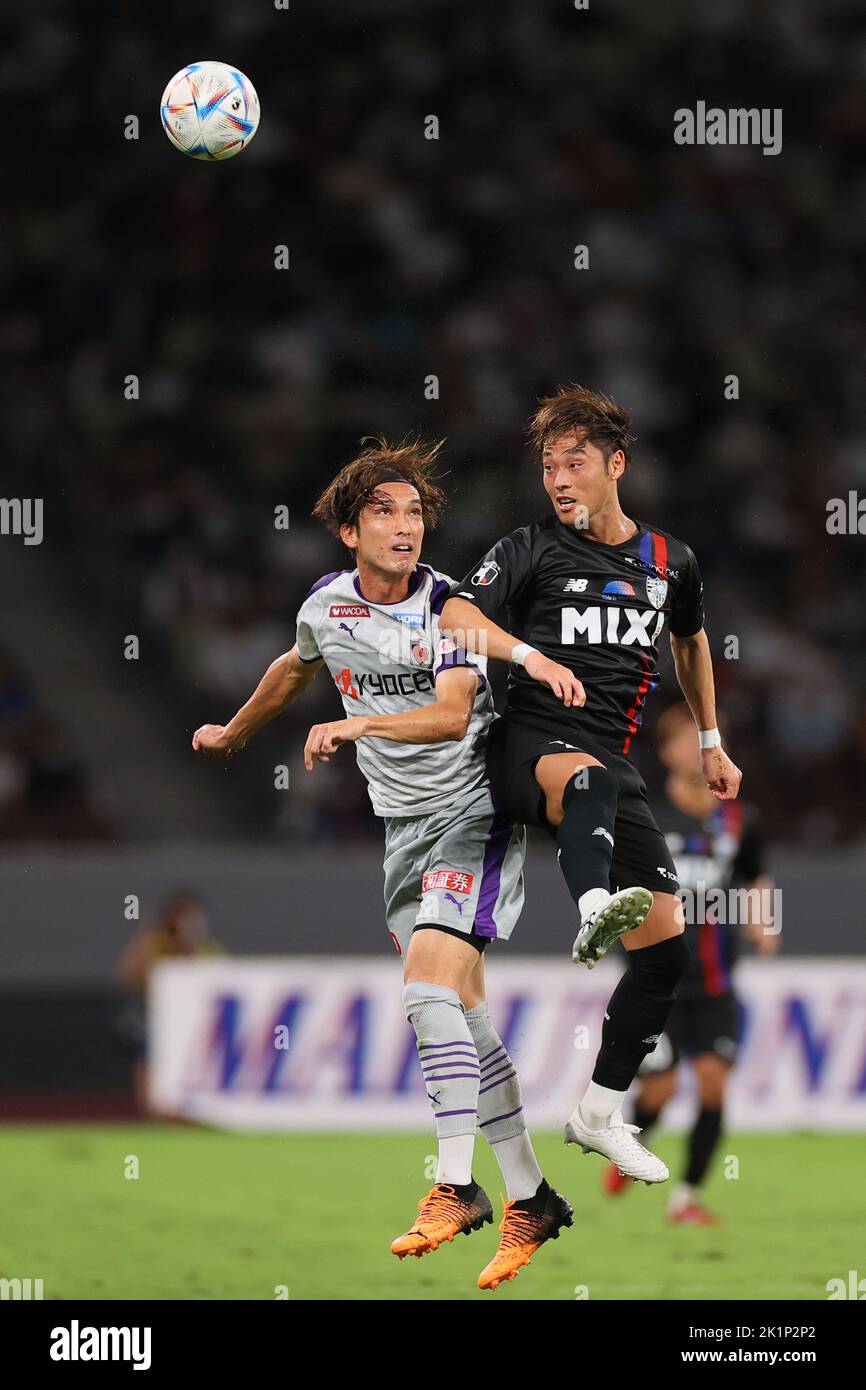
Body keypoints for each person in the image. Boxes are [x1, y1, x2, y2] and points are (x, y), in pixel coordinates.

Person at [192, 438, 582, 1291]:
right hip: (402, 830)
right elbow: (294, 666)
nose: (406, 529)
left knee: (423, 992)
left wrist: (358, 725)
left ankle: (452, 1185)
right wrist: (236, 730)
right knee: (464, 1017)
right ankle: (533, 1196)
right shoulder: (327, 605)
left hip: (473, 814)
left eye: (415, 515)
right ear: (347, 531)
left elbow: (449, 717)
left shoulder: (449, 609)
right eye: (386, 513)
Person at [439, 384, 743, 1185]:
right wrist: (531, 657)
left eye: (575, 463)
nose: (559, 479)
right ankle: (589, 908)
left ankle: (599, 1111)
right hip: (527, 745)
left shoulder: (668, 561)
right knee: (588, 782)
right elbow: (456, 618)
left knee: (666, 957)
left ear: (616, 464)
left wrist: (710, 739)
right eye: (548, 466)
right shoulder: (530, 547)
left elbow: (692, 642)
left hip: (609, 761)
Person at [603, 701, 778, 1223]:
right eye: (686, 739)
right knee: (660, 1085)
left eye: (707, 740)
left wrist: (764, 923)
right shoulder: (645, 813)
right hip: (657, 977)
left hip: (717, 979)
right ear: (666, 750)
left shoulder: (741, 817)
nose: (700, 749)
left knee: (711, 1083)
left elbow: (754, 875)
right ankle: (637, 1137)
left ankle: (686, 1199)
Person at [116, 889, 223, 1112]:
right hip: (157, 1020)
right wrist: (146, 935)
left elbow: (220, 987)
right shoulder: (154, 945)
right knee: (146, 1040)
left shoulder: (209, 950)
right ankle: (152, 1108)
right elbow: (128, 976)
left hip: (196, 1025)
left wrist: (191, 952)